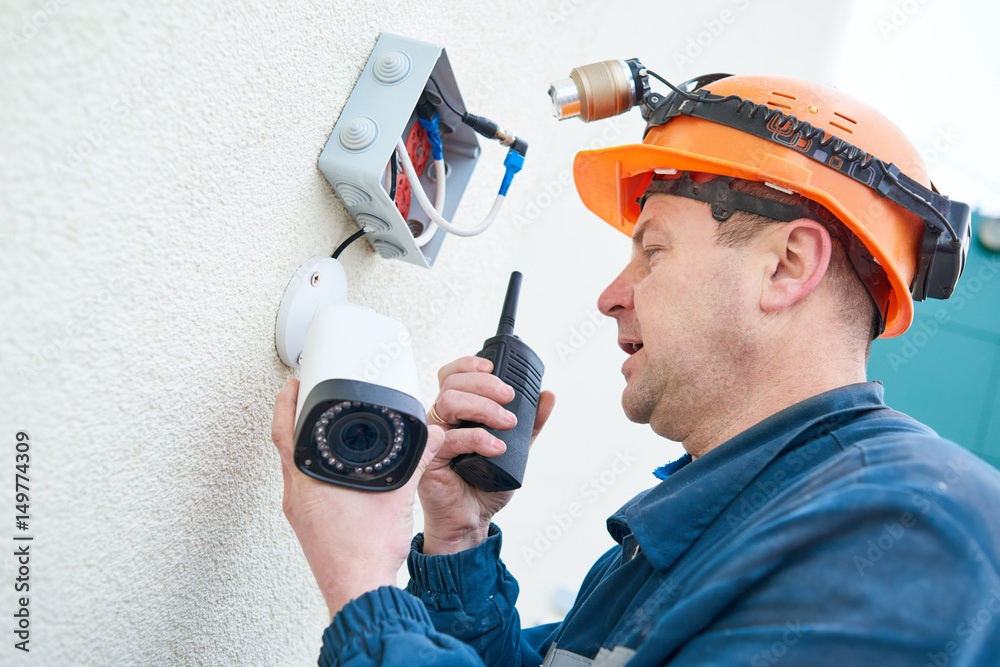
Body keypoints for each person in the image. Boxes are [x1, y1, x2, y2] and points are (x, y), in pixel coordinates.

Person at [271, 74, 1000, 666]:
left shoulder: (910, 526)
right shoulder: (704, 527)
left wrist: (363, 583)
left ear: (786, 265)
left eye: (653, 250)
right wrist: (457, 537)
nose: (611, 296)